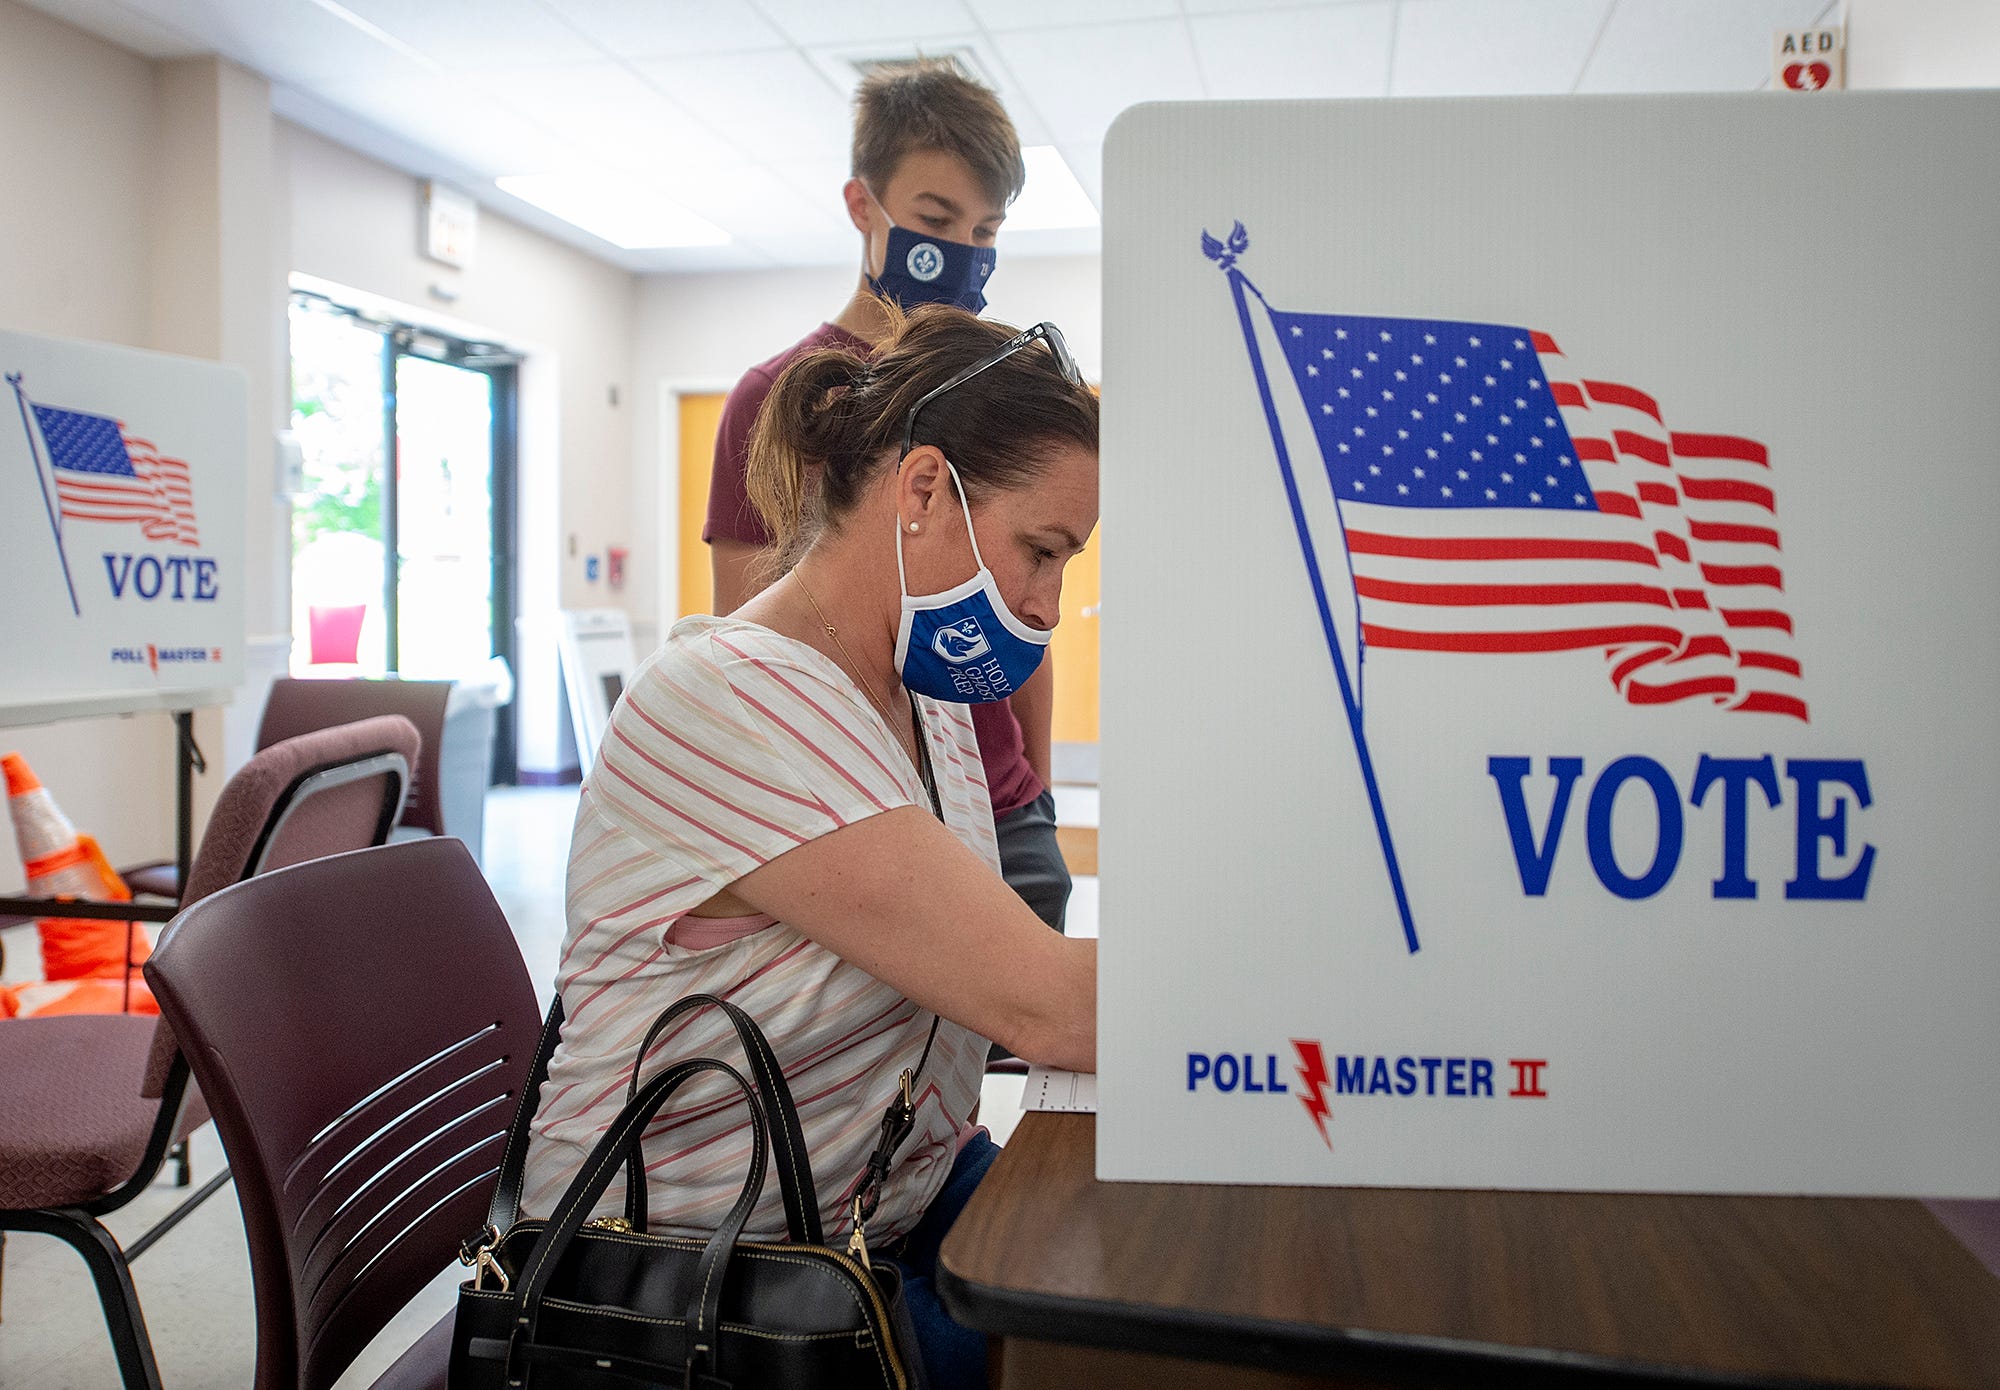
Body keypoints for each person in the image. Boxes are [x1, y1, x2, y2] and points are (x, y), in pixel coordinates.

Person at [524, 305, 1099, 1390]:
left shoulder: (922, 695)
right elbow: (1047, 1004)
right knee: (1113, 1342)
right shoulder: (733, 700)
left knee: (1124, 1274)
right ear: (922, 490)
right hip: (686, 1282)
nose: (1047, 604)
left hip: (877, 1203)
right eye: (1040, 549)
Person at [703, 60, 1074, 938]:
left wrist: (1037, 791)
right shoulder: (779, 401)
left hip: (1008, 808)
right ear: (862, 205)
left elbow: (1027, 610)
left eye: (988, 228)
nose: (965, 251)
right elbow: (744, 644)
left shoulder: (1004, 385)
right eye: (937, 220)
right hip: (861, 811)